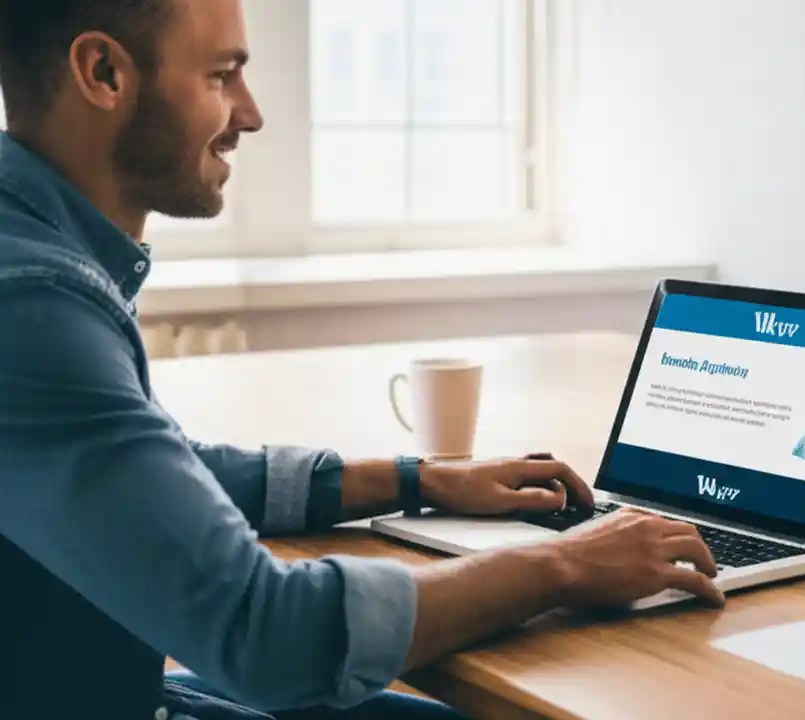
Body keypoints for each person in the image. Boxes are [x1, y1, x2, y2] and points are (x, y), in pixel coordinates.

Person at [0, 1, 724, 718]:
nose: (251, 114)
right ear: (104, 72)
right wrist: (565, 564)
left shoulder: (37, 258)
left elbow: (165, 476)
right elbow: (270, 634)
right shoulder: (34, 311)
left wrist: (419, 479)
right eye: (221, 76)